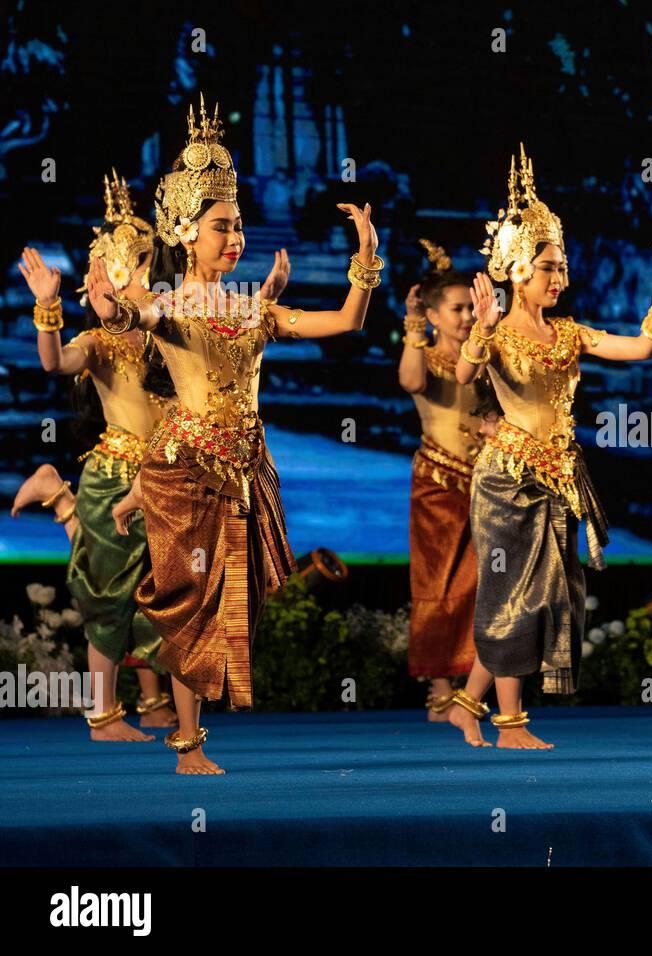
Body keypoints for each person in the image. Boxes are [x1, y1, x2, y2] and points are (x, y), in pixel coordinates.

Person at [87, 96, 381, 773]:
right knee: (194, 598)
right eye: (222, 226)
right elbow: (139, 317)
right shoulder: (173, 305)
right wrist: (118, 303)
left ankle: (186, 728)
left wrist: (363, 261)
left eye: (239, 225)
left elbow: (345, 323)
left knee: (227, 601)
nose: (235, 237)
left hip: (246, 470)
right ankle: (189, 744)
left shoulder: (254, 309)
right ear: (187, 233)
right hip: (189, 467)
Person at [449, 144, 652, 748]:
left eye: (562, 265)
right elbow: (461, 377)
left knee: (546, 594)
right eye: (550, 267)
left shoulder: (569, 331)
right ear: (518, 269)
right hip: (508, 479)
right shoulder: (499, 334)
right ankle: (510, 724)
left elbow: (637, 349)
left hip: (558, 475)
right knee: (515, 592)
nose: (562, 277)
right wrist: (477, 329)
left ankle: (465, 705)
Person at [11, 170, 179, 740]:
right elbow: (54, 363)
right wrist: (48, 309)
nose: (142, 279)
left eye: (147, 267)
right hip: (114, 475)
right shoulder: (100, 343)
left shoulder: (169, 331)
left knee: (160, 594)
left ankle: (57, 497)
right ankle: (102, 715)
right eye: (131, 269)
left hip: (164, 479)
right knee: (108, 593)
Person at [397, 241, 490, 734]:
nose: (467, 317)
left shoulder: (486, 359)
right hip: (437, 484)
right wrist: (412, 328)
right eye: (457, 309)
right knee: (437, 586)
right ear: (433, 315)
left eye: (472, 307)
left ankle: (468, 689)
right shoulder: (427, 358)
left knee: (479, 585)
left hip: (485, 485)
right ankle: (439, 691)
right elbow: (410, 382)